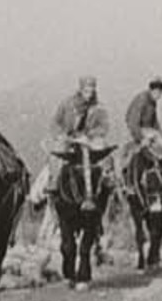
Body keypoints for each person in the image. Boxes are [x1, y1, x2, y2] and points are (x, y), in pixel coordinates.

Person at [33, 74, 112, 205]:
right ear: (81, 89)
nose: (89, 93)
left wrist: (89, 135)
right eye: (87, 90)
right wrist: (62, 134)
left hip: (88, 139)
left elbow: (104, 126)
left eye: (92, 89)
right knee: (57, 153)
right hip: (69, 138)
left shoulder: (99, 107)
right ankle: (54, 182)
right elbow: (55, 122)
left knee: (103, 149)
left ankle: (107, 178)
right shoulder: (67, 103)